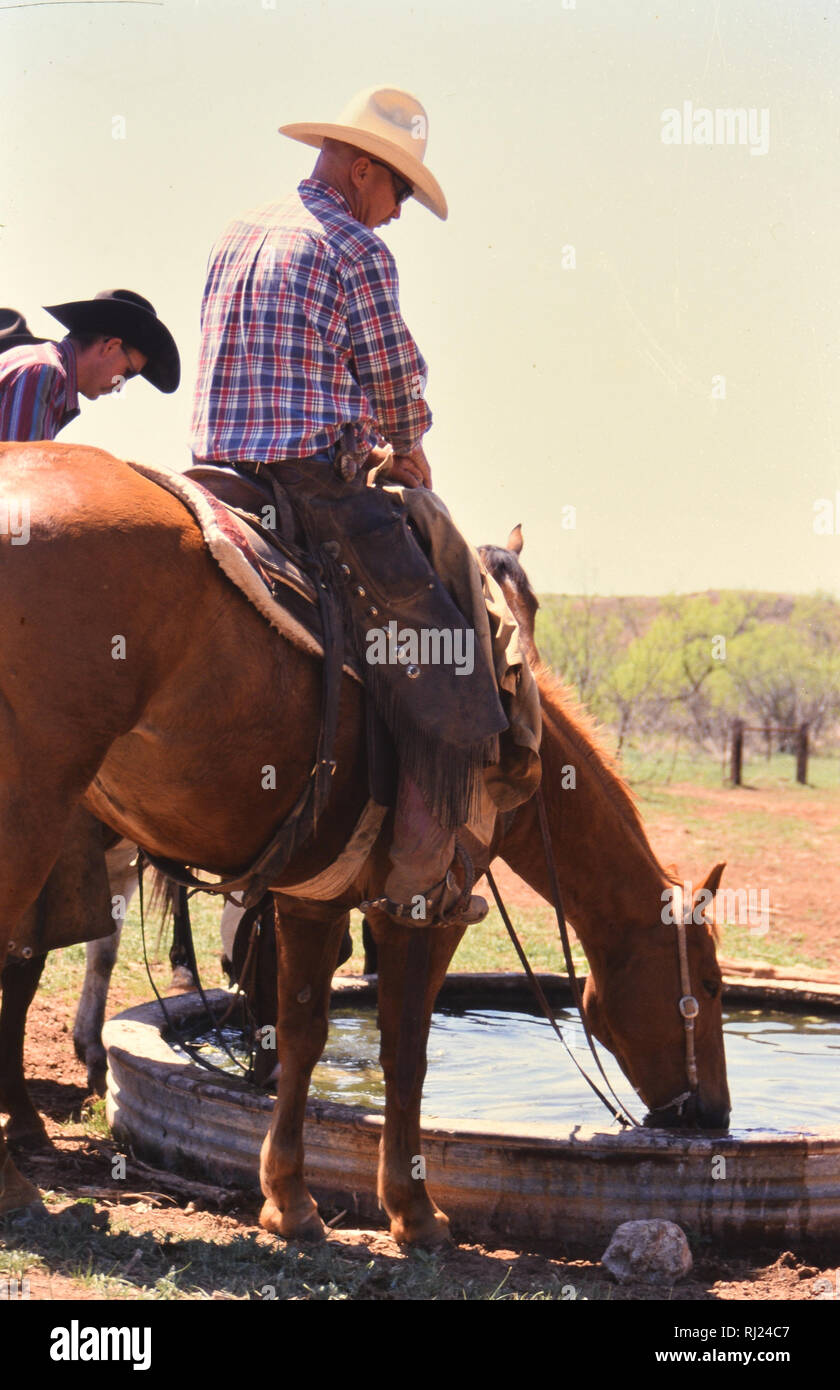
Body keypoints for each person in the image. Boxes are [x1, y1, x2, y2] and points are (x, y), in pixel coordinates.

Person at [192, 87, 513, 928]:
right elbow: (395, 382)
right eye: (398, 191)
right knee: (446, 655)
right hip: (313, 487)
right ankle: (419, 877)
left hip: (213, 474)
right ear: (363, 167)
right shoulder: (355, 249)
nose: (397, 213)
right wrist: (408, 446)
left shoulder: (240, 230)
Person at [0, 289, 179, 442]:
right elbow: (20, 475)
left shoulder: (44, 366)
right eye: (127, 372)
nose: (119, 386)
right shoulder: (43, 370)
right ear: (111, 347)